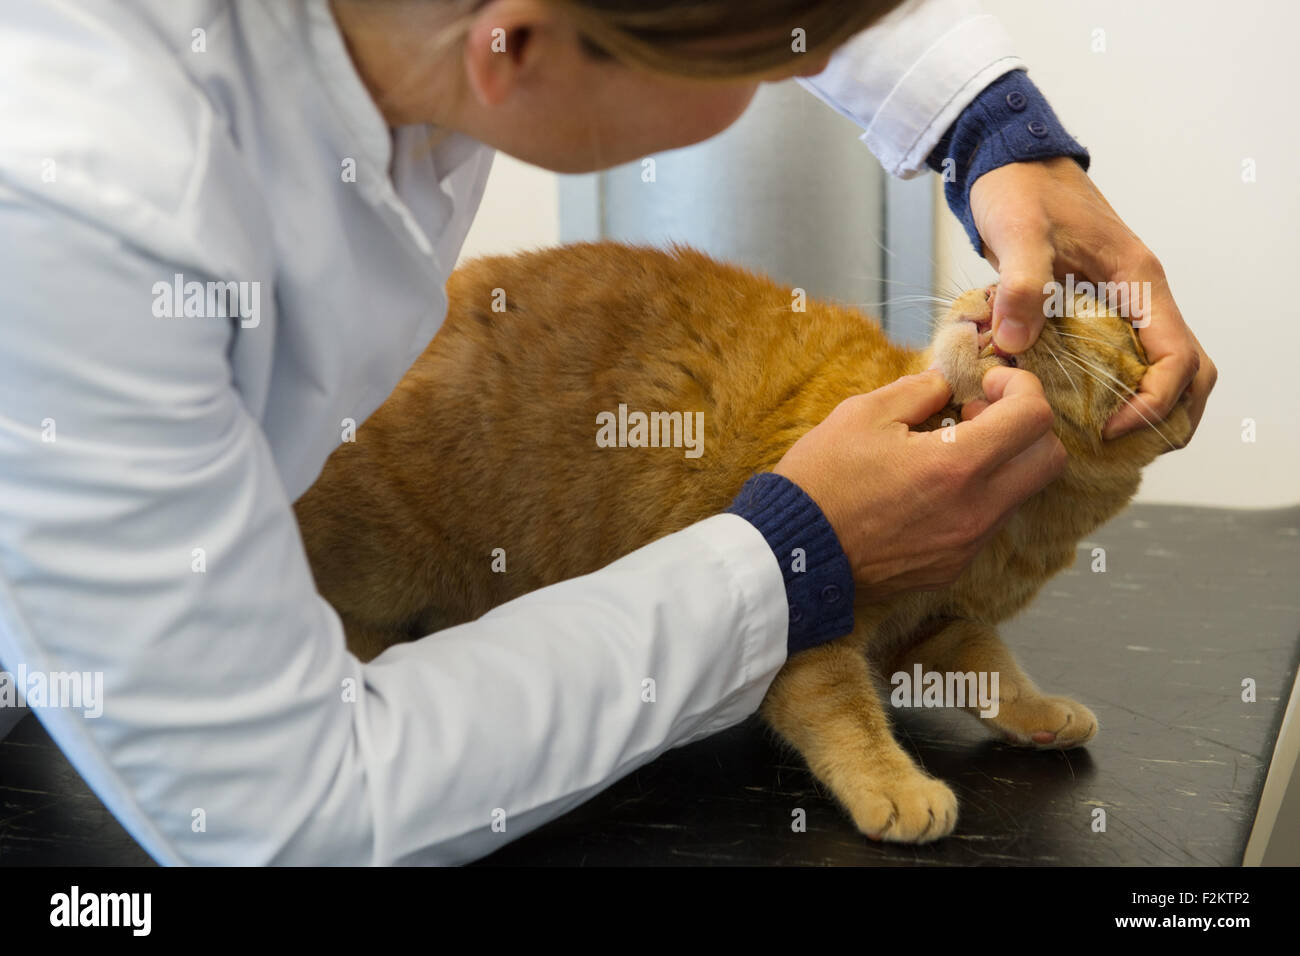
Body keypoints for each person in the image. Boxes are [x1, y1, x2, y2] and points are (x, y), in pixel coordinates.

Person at [0, 0, 1215, 864]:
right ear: (513, 46)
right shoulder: (74, 204)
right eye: (750, 74)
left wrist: (999, 134)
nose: (781, 78)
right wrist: (791, 553)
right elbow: (281, 813)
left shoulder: (423, 32)